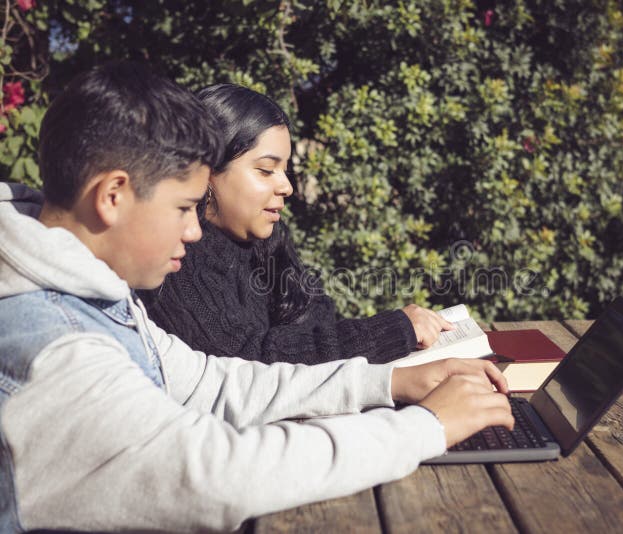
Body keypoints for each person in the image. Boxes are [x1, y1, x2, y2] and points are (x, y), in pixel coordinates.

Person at [0, 62, 513, 533]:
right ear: (112, 196)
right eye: (183, 207)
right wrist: (426, 428)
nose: (194, 230)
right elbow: (218, 473)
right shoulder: (56, 351)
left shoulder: (91, 296)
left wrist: (388, 380)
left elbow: (211, 384)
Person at [139, 83, 451, 365]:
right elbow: (246, 363)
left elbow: (316, 323)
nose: (286, 187)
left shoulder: (266, 242)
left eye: (285, 170)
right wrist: (391, 330)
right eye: (265, 170)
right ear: (206, 172)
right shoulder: (175, 261)